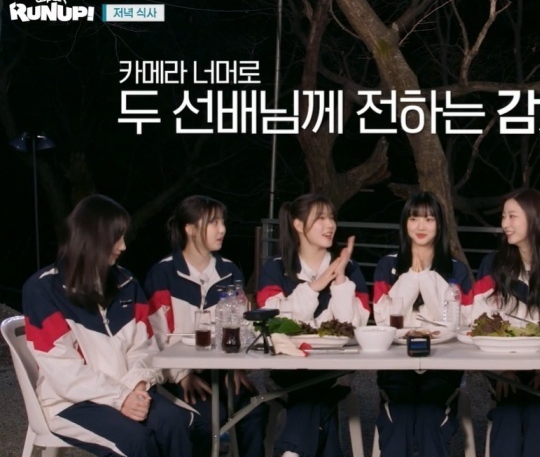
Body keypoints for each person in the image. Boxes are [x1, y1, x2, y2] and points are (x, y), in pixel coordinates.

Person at [22, 194, 194, 457]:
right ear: (92, 238)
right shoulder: (43, 290)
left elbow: (144, 347)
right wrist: (120, 398)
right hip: (71, 401)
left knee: (174, 422)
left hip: (129, 387)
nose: (123, 246)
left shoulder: (127, 283)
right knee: (135, 440)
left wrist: (138, 385)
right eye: (117, 237)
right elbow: (63, 371)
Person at [466, 188, 540, 457]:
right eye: (503, 216)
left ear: (535, 219)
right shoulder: (493, 265)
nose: (504, 224)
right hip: (503, 369)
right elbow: (478, 319)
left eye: (512, 216)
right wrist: (504, 370)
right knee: (508, 416)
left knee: (539, 416)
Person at [144, 195, 268, 457]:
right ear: (190, 229)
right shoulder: (162, 274)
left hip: (221, 373)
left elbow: (240, 327)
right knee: (210, 417)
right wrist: (182, 375)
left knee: (255, 409)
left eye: (222, 222)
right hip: (177, 377)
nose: (222, 229)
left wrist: (236, 366)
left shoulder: (230, 271)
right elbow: (155, 338)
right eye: (213, 223)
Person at [256, 193, 369, 457]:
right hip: (290, 367)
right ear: (298, 224)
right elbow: (273, 323)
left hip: (336, 368)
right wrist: (315, 286)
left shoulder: (350, 268)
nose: (330, 224)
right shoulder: (276, 269)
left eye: (331, 217)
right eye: (320, 218)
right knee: (316, 398)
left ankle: (292, 452)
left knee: (313, 395)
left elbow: (352, 327)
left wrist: (340, 280)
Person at [371, 192, 472, 456]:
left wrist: (426, 279)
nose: (421, 226)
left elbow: (457, 323)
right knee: (400, 414)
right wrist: (409, 279)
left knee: (430, 414)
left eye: (429, 219)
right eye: (414, 218)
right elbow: (384, 322)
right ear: (405, 223)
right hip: (396, 363)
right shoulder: (388, 265)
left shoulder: (456, 269)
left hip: (443, 363)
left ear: (439, 224)